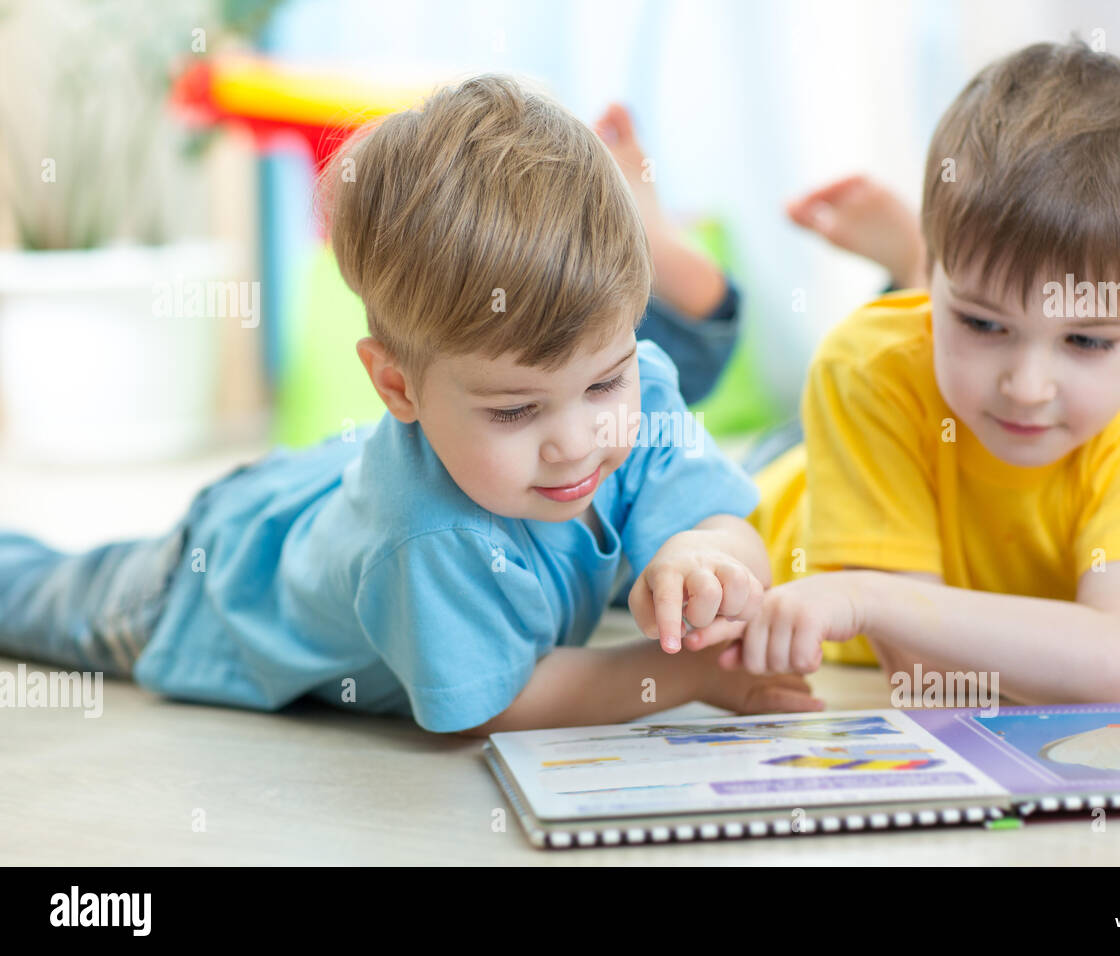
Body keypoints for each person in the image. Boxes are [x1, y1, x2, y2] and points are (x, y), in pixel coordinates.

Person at [0, 74, 823, 735]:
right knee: (35, 594)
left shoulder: (638, 384)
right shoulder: (427, 532)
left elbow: (728, 530)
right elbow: (499, 704)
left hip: (315, 491)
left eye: (605, 383)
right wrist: (691, 674)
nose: (578, 442)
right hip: (198, 586)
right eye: (514, 412)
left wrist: (708, 561)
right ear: (397, 386)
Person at [687, 41, 1120, 703]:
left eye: (1087, 341)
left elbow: (1119, 657)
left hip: (913, 405)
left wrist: (864, 596)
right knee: (634, 548)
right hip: (763, 493)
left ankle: (918, 278)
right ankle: (906, 275)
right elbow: (926, 675)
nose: (1028, 387)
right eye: (984, 323)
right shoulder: (864, 367)